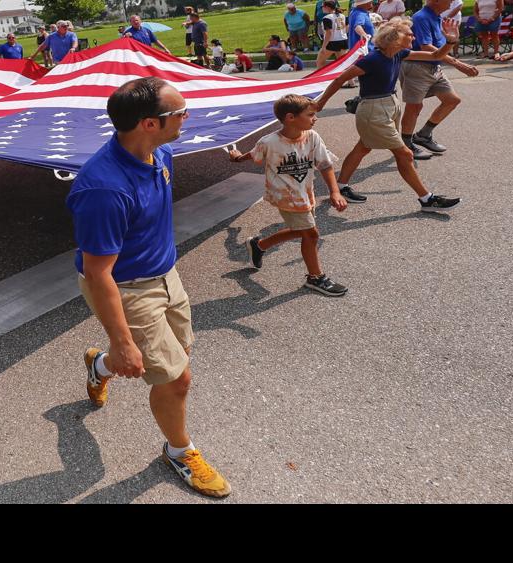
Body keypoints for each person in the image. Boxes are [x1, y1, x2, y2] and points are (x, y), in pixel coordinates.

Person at [70, 77, 232, 498]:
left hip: (166, 276)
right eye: (179, 112)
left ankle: (99, 366)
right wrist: (122, 339)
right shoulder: (103, 189)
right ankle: (179, 452)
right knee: (176, 378)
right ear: (148, 123)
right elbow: (98, 273)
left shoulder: (162, 152)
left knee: (178, 358)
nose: (186, 117)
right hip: (127, 289)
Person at [315, 19, 460, 212]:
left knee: (363, 148)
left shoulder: (400, 53)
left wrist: (449, 42)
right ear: (394, 38)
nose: (413, 36)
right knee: (405, 154)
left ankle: (340, 187)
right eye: (409, 33)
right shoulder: (372, 60)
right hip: (374, 111)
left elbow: (435, 56)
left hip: (389, 106)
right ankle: (427, 199)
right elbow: (340, 79)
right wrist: (320, 104)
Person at [229, 95, 348, 296]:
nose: (315, 118)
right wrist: (238, 158)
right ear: (291, 117)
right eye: (310, 114)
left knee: (301, 231)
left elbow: (325, 164)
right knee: (311, 234)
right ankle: (315, 277)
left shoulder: (312, 137)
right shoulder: (269, 142)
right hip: (286, 197)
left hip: (305, 193)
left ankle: (259, 245)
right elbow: (255, 153)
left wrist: (334, 191)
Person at [400, 0, 478, 158]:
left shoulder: (436, 16)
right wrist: (458, 63)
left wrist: (452, 38)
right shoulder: (421, 17)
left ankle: (423, 135)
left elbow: (441, 44)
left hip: (434, 67)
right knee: (414, 107)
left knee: (452, 100)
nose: (451, 1)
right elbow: (426, 47)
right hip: (417, 67)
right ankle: (406, 145)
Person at [315, 1, 350, 69]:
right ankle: (350, 80)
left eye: (323, 7)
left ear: (327, 7)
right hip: (343, 41)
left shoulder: (327, 18)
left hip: (332, 42)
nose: (322, 8)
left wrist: (323, 46)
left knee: (320, 62)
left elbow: (329, 33)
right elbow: (348, 26)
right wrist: (342, 33)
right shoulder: (342, 15)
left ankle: (323, 79)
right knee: (344, 64)